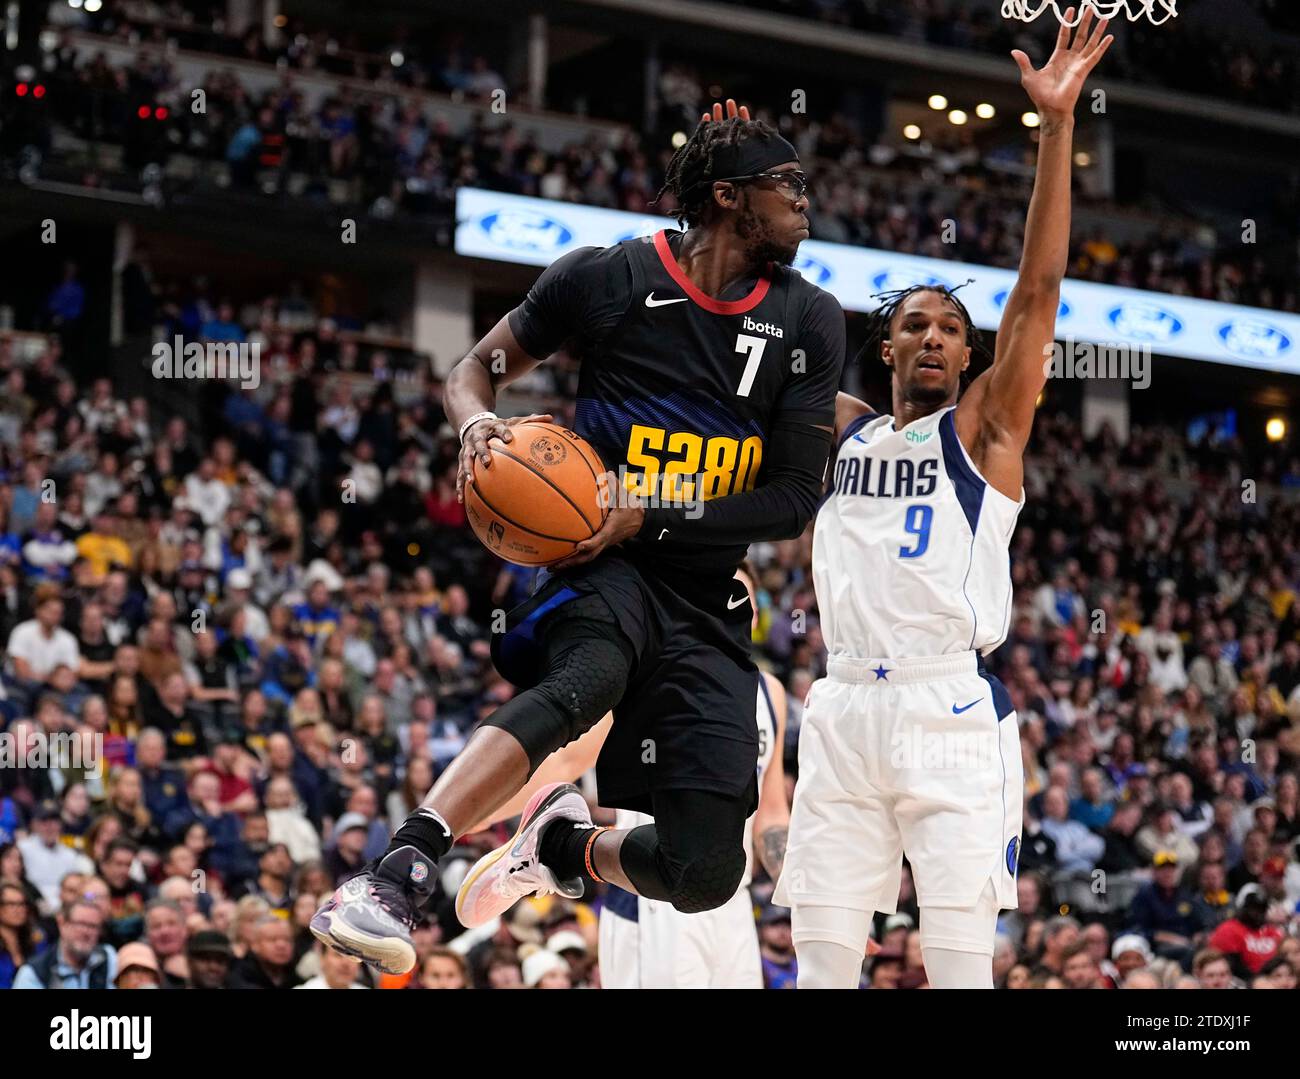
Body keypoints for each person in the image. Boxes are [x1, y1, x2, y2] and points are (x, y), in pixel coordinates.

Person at [313, 98, 845, 973]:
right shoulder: (606, 277)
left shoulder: (811, 319)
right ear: (725, 196)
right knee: (586, 678)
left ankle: (561, 847)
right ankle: (395, 875)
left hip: (706, 591)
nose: (805, 199)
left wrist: (654, 510)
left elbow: (791, 499)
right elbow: (474, 369)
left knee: (706, 868)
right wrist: (477, 423)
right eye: (787, 184)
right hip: (601, 556)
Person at [775, 14, 1114, 989]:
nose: (931, 337)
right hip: (839, 703)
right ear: (883, 347)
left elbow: (1039, 291)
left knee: (962, 970)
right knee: (824, 965)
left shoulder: (984, 431)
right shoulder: (836, 428)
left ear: (969, 356)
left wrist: (1055, 129)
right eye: (912, 324)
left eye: (950, 329)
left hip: (949, 709)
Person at [12, 898, 117, 989]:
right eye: (80, 924)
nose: (86, 932)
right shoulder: (34, 973)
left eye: (93, 926)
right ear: (62, 924)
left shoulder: (109, 958)